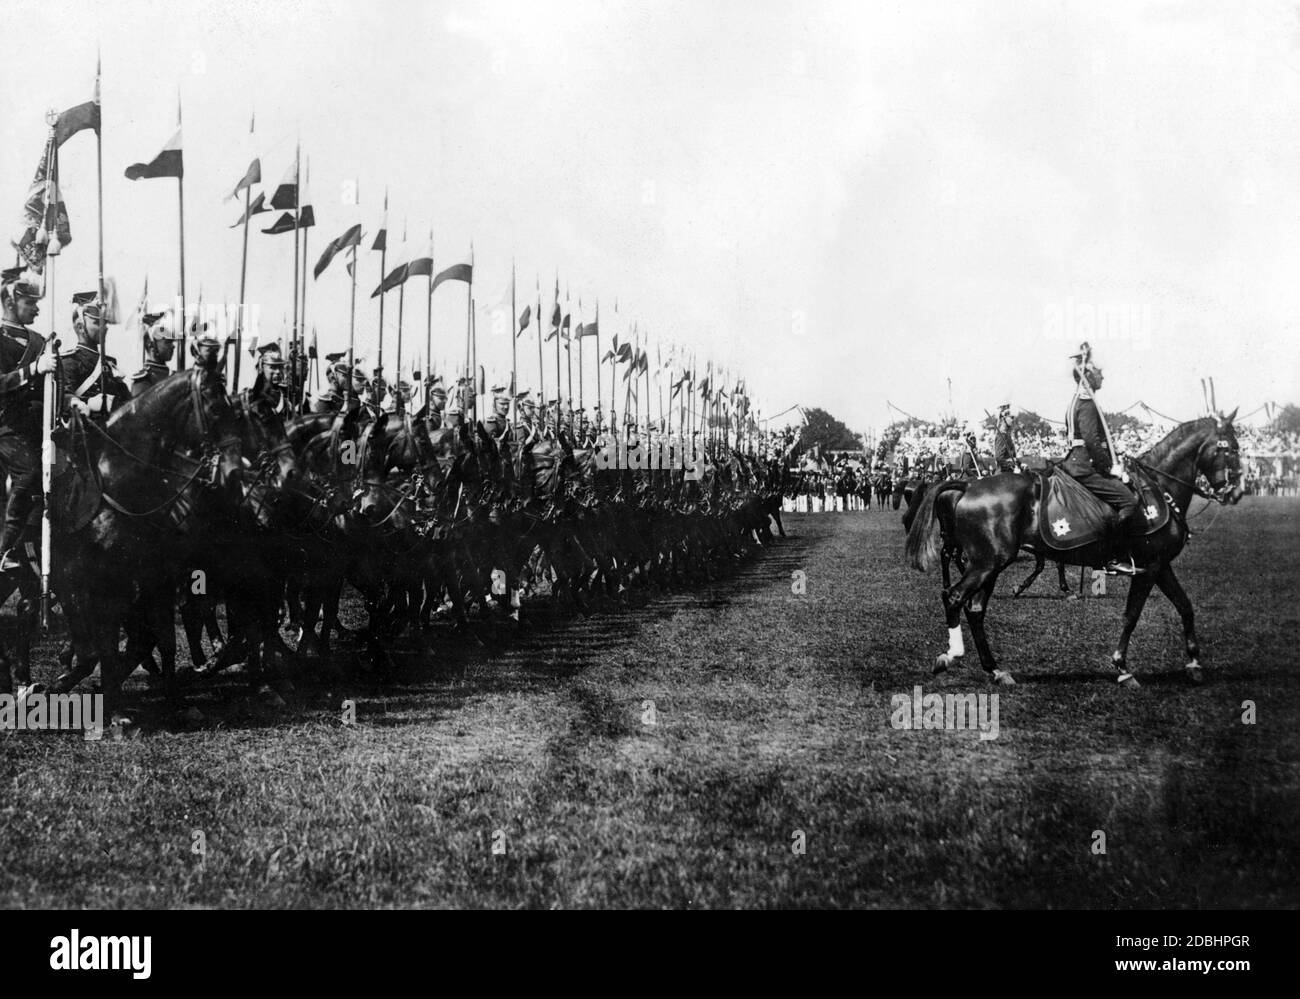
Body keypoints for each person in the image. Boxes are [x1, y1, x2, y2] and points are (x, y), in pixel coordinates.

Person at [1061, 342, 1141, 575]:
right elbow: (1092, 443)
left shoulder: (1075, 401)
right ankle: (1113, 557)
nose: (1102, 376)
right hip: (1085, 466)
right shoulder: (1086, 404)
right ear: (1088, 375)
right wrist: (1111, 467)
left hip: (1077, 462)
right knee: (1128, 501)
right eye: (1098, 372)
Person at [0, 268, 57, 573]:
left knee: (56, 485)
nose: (36, 307)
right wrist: (34, 368)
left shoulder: (39, 340)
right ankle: (5, 548)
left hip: (39, 430)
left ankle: (28, 551)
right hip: (8, 428)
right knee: (29, 474)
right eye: (30, 303)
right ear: (11, 302)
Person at [60, 291, 130, 421]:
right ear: (81, 327)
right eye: (97, 323)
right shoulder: (70, 361)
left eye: (105, 323)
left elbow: (127, 401)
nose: (105, 328)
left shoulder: (109, 363)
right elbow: (63, 396)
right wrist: (89, 403)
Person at [130, 311, 180, 397]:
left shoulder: (174, 375)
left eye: (172, 342)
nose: (173, 346)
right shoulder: (143, 381)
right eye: (167, 342)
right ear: (151, 344)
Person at [993, 402, 1017, 472]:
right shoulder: (1001, 436)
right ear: (1004, 418)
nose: (1013, 420)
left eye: (1013, 418)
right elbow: (999, 458)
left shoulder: (1007, 435)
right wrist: (1011, 463)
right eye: (1011, 417)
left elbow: (1013, 456)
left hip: (1011, 470)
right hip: (1003, 473)